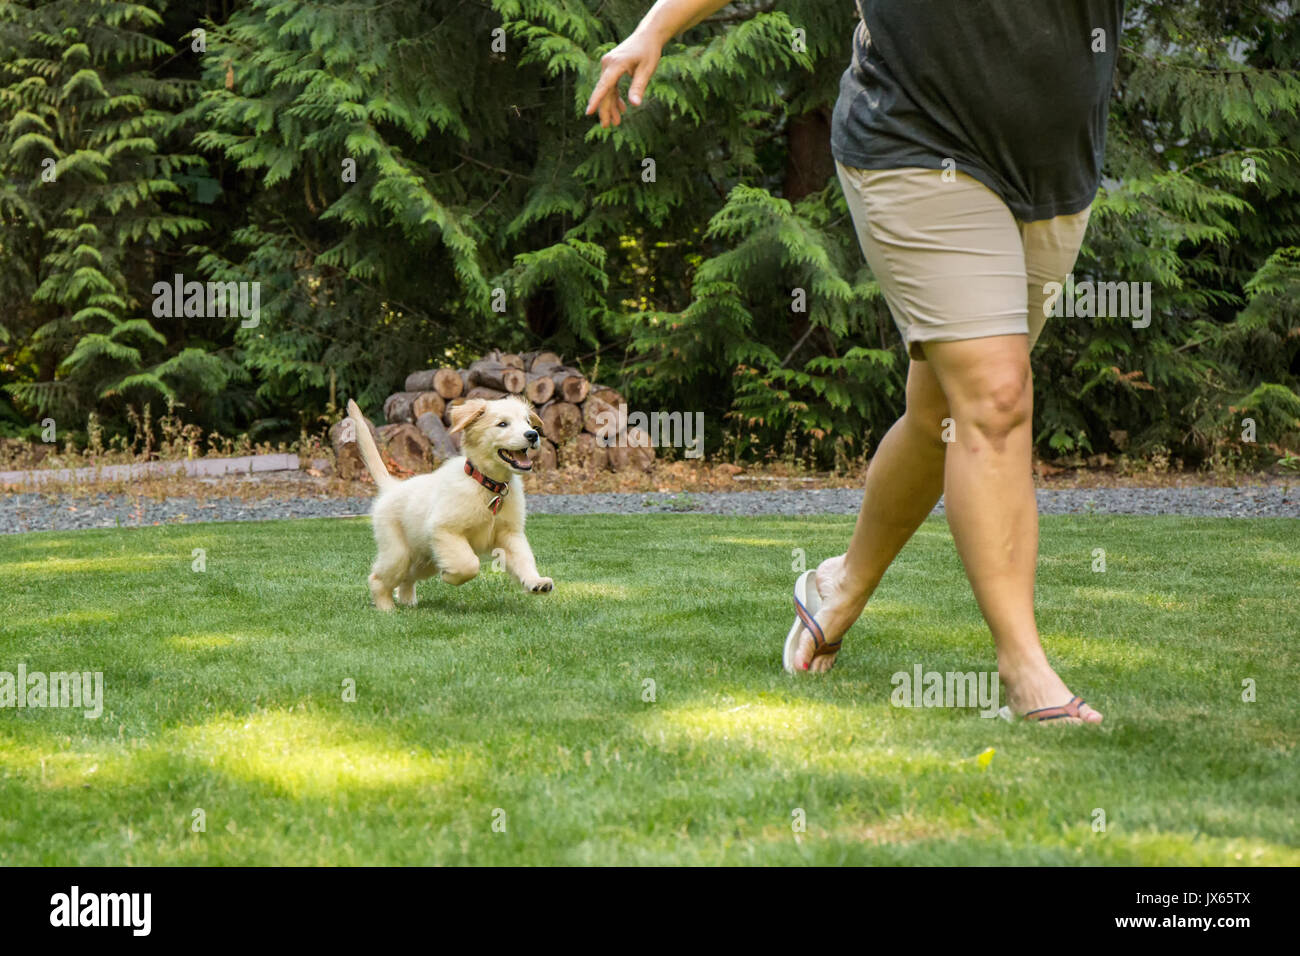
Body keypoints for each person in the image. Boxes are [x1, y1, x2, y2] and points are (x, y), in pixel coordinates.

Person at [588, 1, 1123, 724]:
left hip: (1055, 165)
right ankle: (1025, 669)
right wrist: (656, 26)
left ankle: (842, 582)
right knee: (996, 398)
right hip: (916, 143)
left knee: (941, 415)